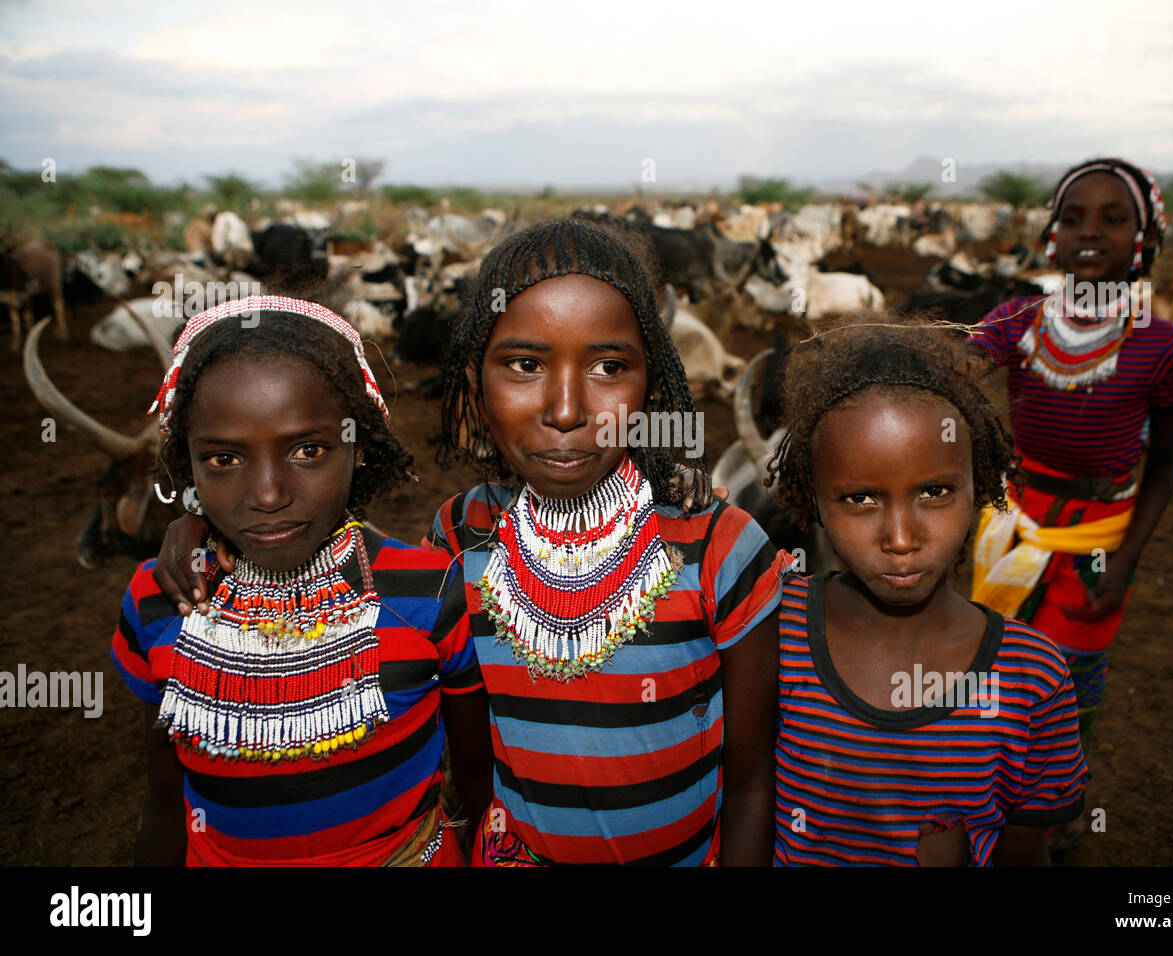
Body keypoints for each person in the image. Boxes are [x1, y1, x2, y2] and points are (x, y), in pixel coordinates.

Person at [426, 217, 790, 866]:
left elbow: (753, 781)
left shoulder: (721, 550)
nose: (566, 409)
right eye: (526, 364)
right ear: (475, 382)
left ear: (650, 388)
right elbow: (469, 766)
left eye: (608, 366)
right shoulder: (458, 539)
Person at [112, 295, 492, 866]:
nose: (268, 494)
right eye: (222, 459)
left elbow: (480, 791)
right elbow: (165, 805)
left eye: (308, 450)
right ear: (183, 461)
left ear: (358, 445)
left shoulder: (431, 593)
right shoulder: (161, 601)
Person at [768, 319, 1088, 866]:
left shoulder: (1032, 676)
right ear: (814, 498)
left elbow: (1024, 855)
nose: (900, 538)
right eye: (861, 498)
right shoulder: (771, 630)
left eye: (935, 491)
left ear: (982, 484)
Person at [968, 158, 1173, 849]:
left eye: (1112, 218)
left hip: (1095, 542)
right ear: (1050, 239)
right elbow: (948, 368)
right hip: (1010, 528)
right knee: (993, 657)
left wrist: (1126, 563)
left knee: (1072, 675)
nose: (1088, 232)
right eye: (1071, 218)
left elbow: (1167, 464)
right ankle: (982, 786)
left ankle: (1058, 802)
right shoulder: (1016, 320)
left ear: (1144, 240)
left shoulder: (1165, 349)